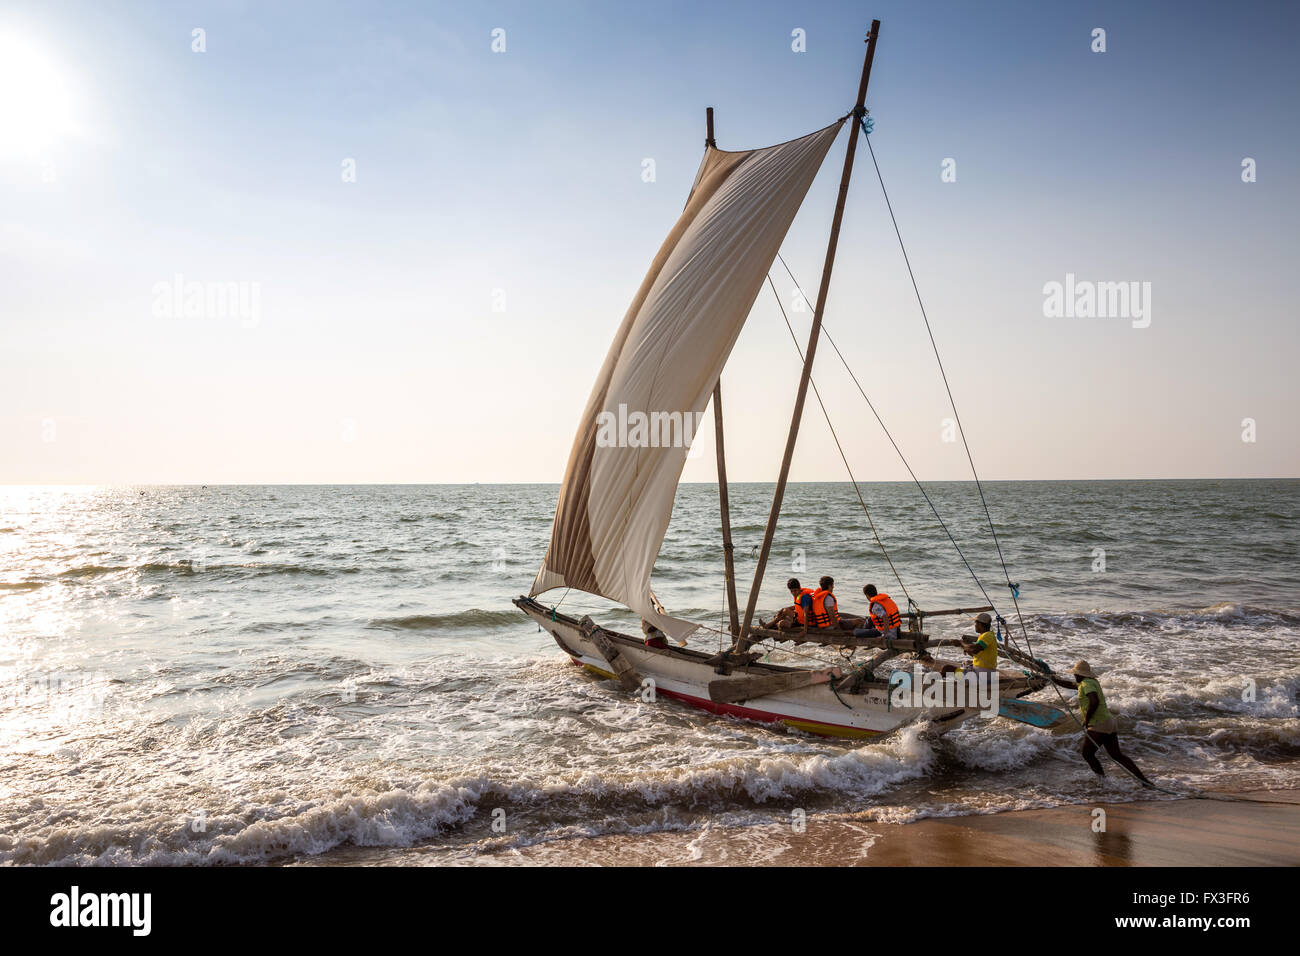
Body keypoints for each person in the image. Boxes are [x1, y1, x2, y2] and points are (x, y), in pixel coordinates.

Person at [1072, 660, 1154, 788]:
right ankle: (1145, 782)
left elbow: (1094, 702)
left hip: (1098, 724)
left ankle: (1103, 782)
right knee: (1117, 755)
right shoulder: (1091, 682)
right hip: (1109, 722)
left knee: (1087, 754)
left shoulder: (1086, 684)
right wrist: (1053, 680)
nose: (1074, 676)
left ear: (1080, 674)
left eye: (1075, 674)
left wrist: (1087, 720)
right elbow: (1072, 685)